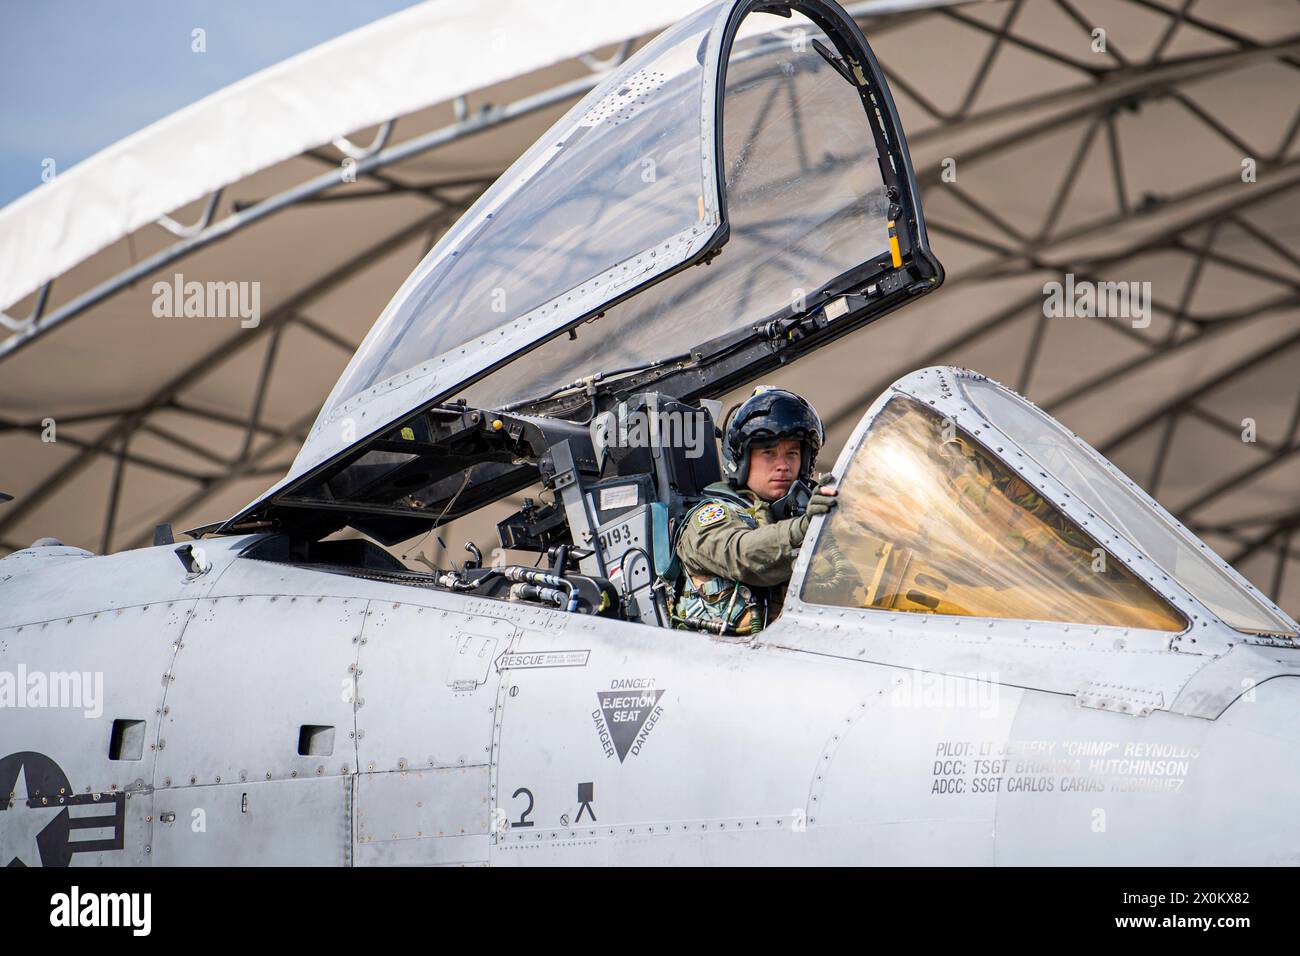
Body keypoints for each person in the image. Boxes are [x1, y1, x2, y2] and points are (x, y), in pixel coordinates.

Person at [670, 386, 841, 637]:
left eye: (792, 453)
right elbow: (742, 553)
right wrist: (804, 528)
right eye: (768, 453)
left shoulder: (806, 515)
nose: (783, 465)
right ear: (741, 459)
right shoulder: (708, 518)